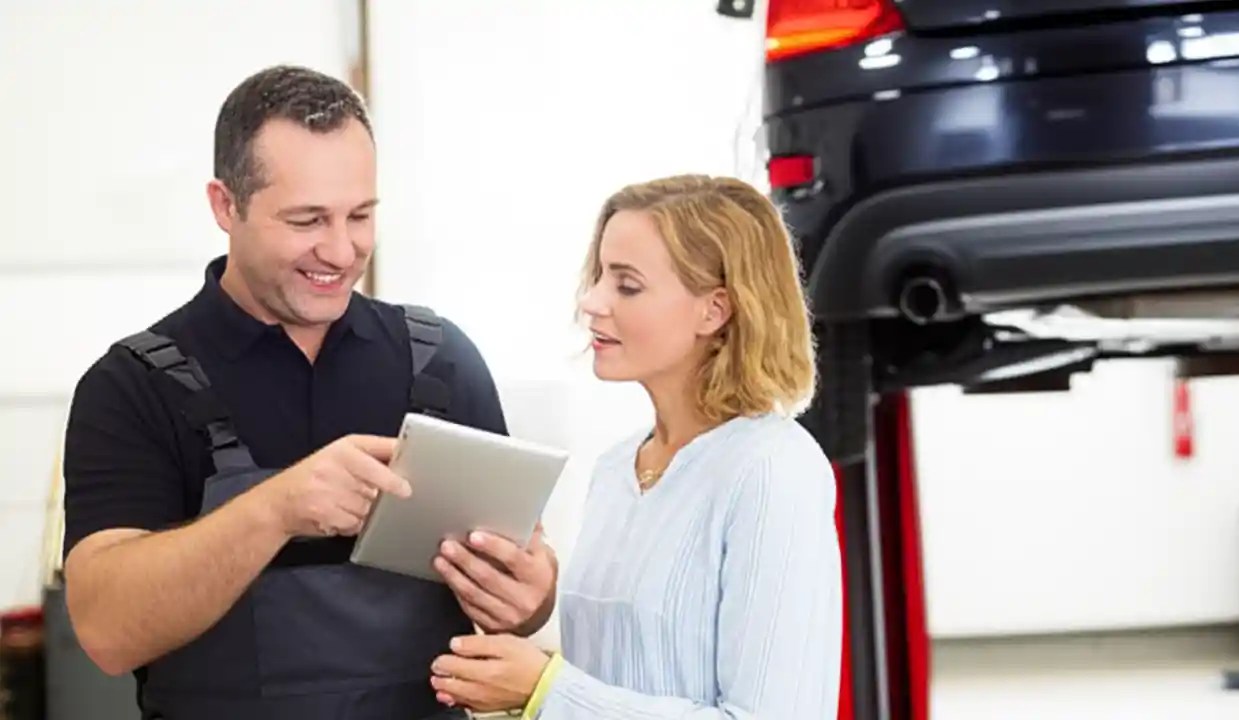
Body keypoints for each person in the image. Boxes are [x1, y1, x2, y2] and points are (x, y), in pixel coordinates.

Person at [59, 65, 557, 720]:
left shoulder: (442, 362)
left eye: (360, 215)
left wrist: (531, 594)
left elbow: (520, 594)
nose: (341, 249)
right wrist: (278, 509)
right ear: (224, 205)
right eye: (307, 219)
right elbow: (107, 632)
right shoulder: (133, 386)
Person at [429, 175, 844, 718]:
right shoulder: (616, 469)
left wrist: (546, 692)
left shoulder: (773, 469)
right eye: (599, 275)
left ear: (713, 310)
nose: (591, 301)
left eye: (627, 285)